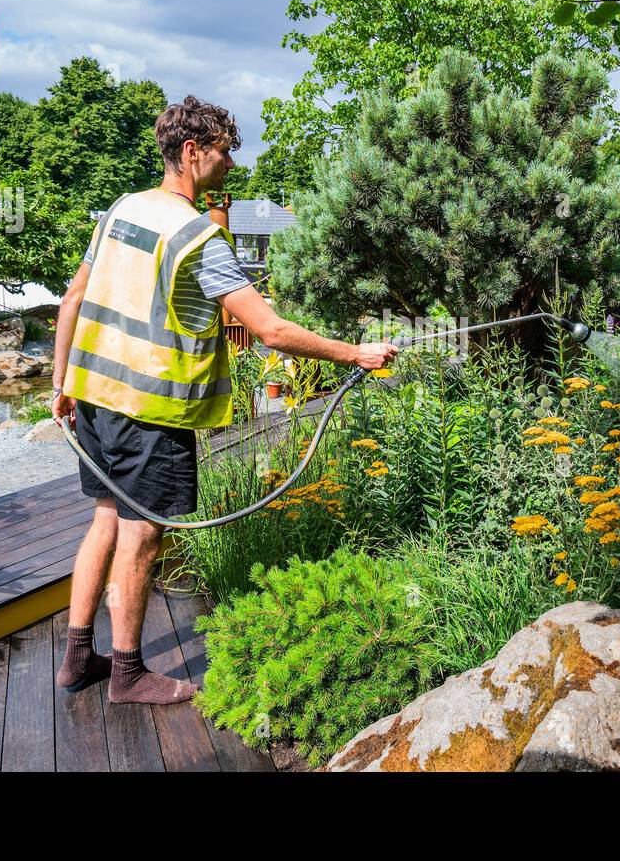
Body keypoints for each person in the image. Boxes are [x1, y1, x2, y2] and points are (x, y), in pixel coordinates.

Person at [49, 96, 398, 704]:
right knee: (141, 534)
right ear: (192, 153)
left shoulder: (119, 211)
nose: (231, 163)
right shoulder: (200, 238)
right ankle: (128, 673)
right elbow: (270, 331)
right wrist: (356, 354)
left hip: (95, 400)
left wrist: (61, 385)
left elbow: (71, 300)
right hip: (150, 412)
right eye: (224, 151)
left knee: (104, 517)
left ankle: (78, 656)